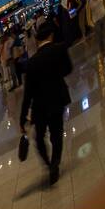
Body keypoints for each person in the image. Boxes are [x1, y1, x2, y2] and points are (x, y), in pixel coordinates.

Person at [20, 19, 73, 185]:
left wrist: (23, 117)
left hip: (39, 106)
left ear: (37, 40)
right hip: (57, 99)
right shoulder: (59, 49)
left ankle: (48, 164)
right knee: (56, 134)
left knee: (39, 137)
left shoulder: (31, 62)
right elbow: (68, 69)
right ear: (51, 35)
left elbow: (27, 93)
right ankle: (55, 164)